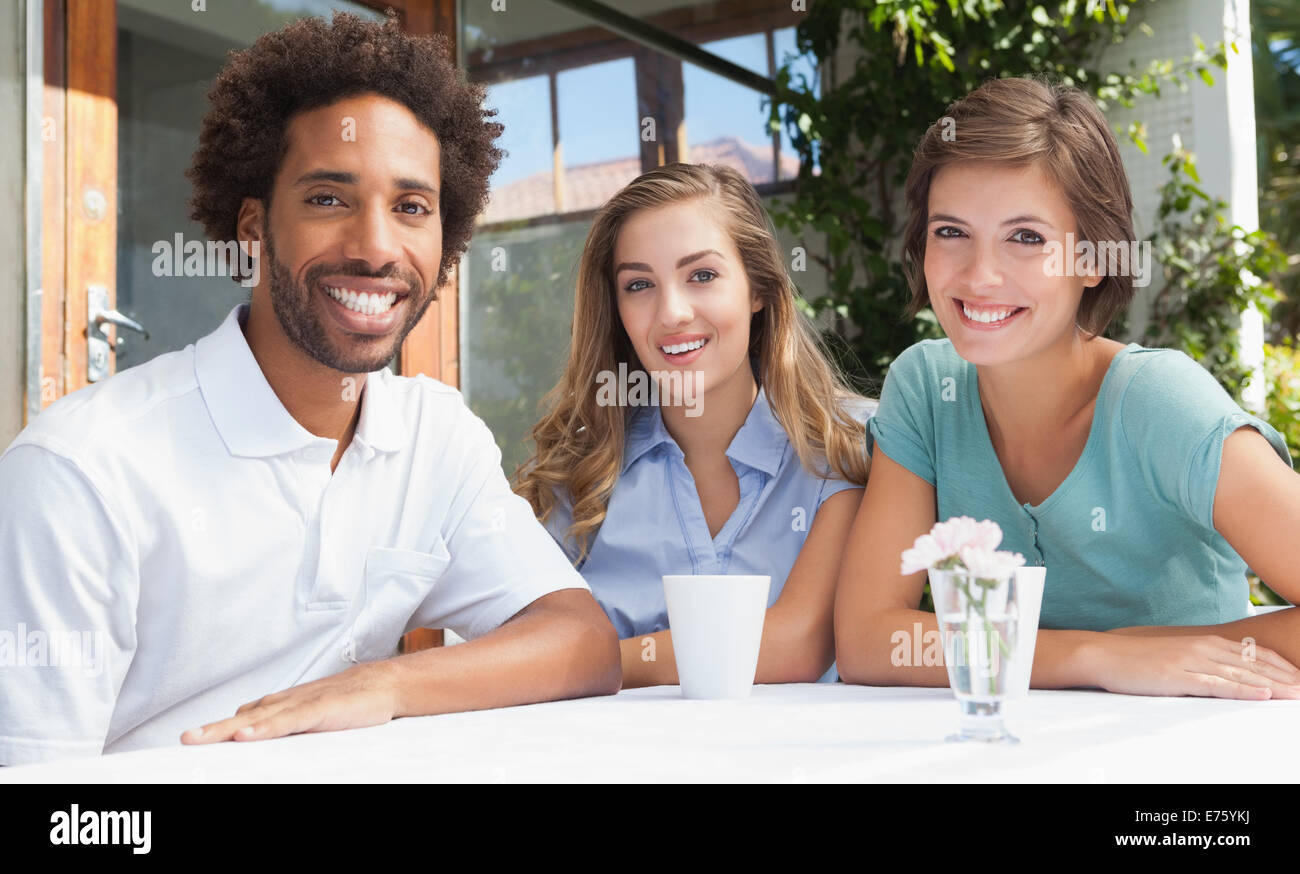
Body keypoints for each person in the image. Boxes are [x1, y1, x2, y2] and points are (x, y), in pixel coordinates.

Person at [0, 13, 619, 767]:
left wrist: (378, 685)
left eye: (412, 207)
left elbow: (582, 642)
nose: (376, 247)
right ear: (255, 228)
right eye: (329, 198)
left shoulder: (435, 436)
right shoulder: (81, 471)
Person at [835, 76, 1300, 699]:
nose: (981, 274)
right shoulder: (925, 389)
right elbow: (870, 639)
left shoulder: (1161, 402)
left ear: (1093, 259)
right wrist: (1095, 656)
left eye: (1026, 237)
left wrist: (1162, 655)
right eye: (951, 231)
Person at [515, 162, 872, 688]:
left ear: (758, 290)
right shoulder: (577, 477)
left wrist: (597, 659)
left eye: (701, 275)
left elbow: (797, 645)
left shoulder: (848, 446)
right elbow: (519, 650)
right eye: (639, 285)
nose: (672, 312)